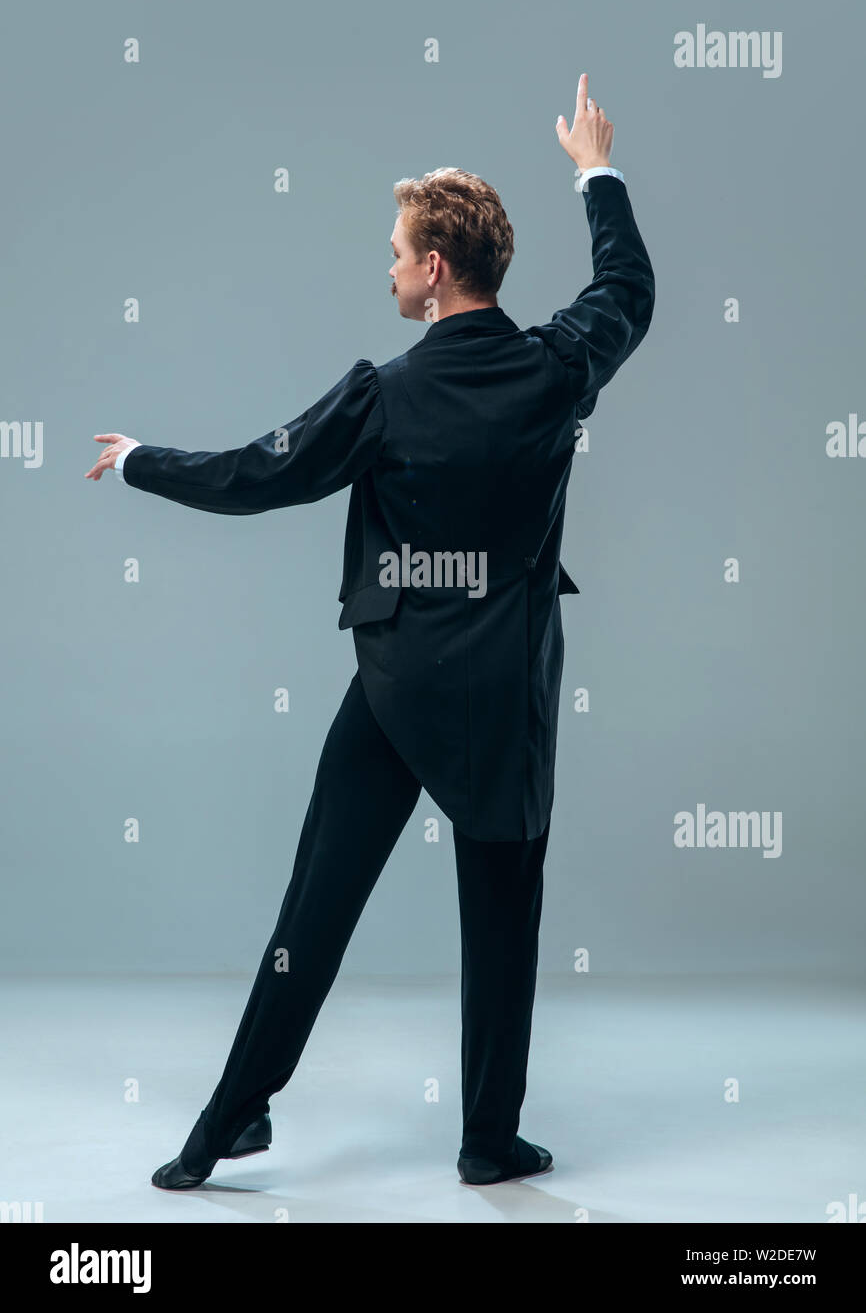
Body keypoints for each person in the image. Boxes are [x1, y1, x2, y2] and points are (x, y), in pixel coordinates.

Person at [86, 73, 655, 1189]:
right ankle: (488, 1139)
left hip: (396, 689)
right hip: (507, 699)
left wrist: (144, 458)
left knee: (315, 913)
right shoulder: (556, 367)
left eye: (396, 250)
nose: (388, 266)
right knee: (503, 922)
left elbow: (262, 472)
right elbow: (628, 285)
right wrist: (595, 166)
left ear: (434, 270)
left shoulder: (384, 395)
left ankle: (223, 1126)